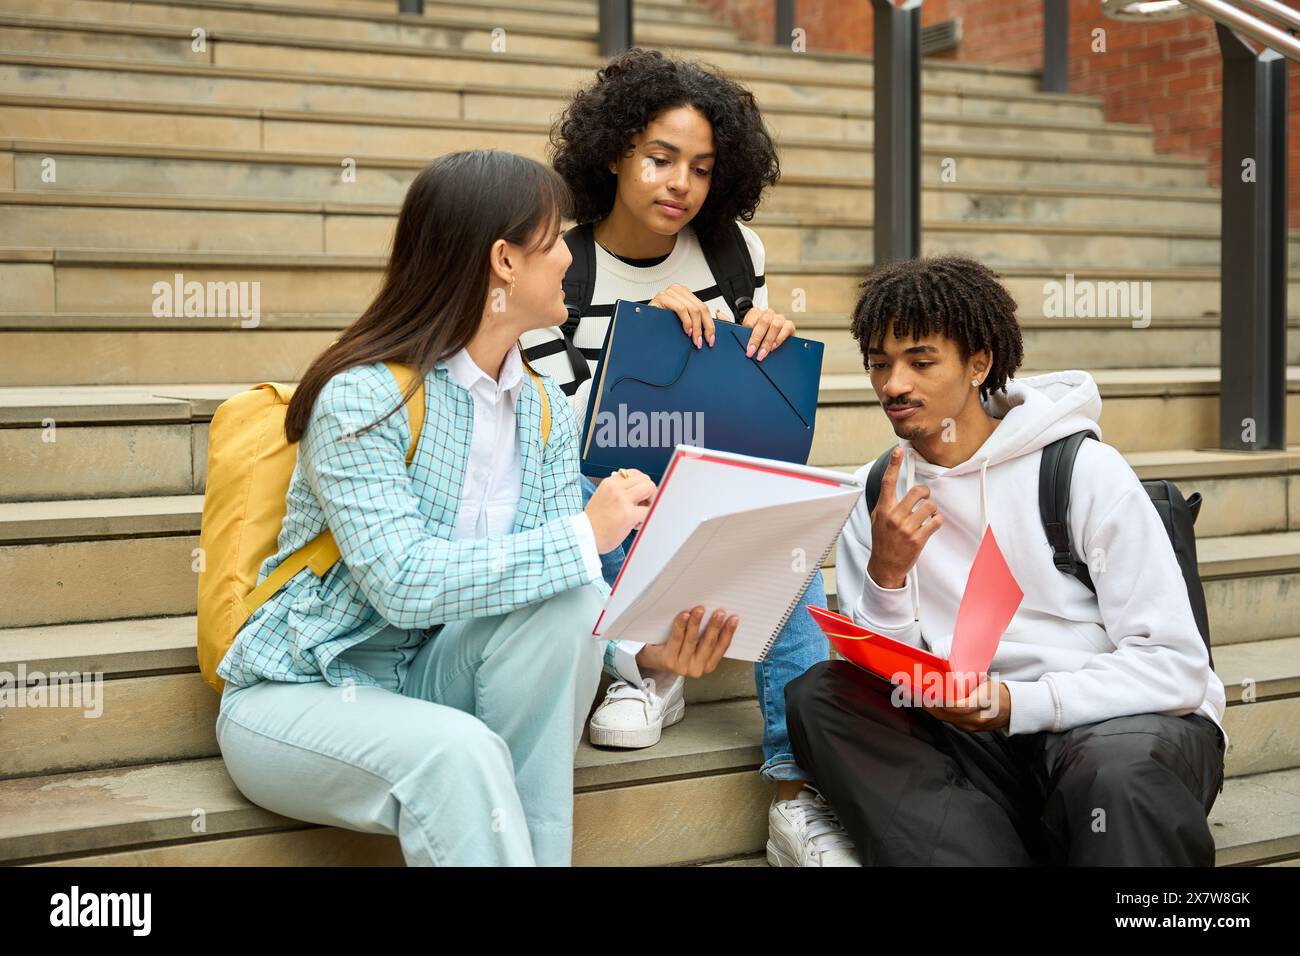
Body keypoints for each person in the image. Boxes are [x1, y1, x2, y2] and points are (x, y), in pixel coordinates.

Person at [214, 149, 738, 866]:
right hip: (303, 692)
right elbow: (402, 580)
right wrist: (586, 532)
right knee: (458, 753)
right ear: (504, 261)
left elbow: (555, 590)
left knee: (568, 601)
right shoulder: (364, 399)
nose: (567, 257)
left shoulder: (545, 411)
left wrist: (639, 653)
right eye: (554, 241)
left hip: (432, 680)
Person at [521, 48, 859, 867]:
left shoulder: (736, 252)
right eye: (660, 159)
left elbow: (739, 392)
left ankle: (795, 790)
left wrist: (763, 338)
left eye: (702, 168)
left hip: (715, 471)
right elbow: (552, 429)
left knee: (792, 531)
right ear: (613, 153)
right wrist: (640, 339)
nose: (681, 184)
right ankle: (643, 671)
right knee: (593, 484)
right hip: (606, 475)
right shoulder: (561, 267)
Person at [785, 254, 1228, 865]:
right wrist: (887, 577)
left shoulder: (1076, 469)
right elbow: (888, 675)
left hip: (1107, 728)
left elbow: (1175, 666)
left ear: (979, 364)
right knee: (821, 695)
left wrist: (1019, 704)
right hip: (975, 738)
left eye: (920, 361)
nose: (893, 385)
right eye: (879, 364)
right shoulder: (876, 494)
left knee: (1117, 777)